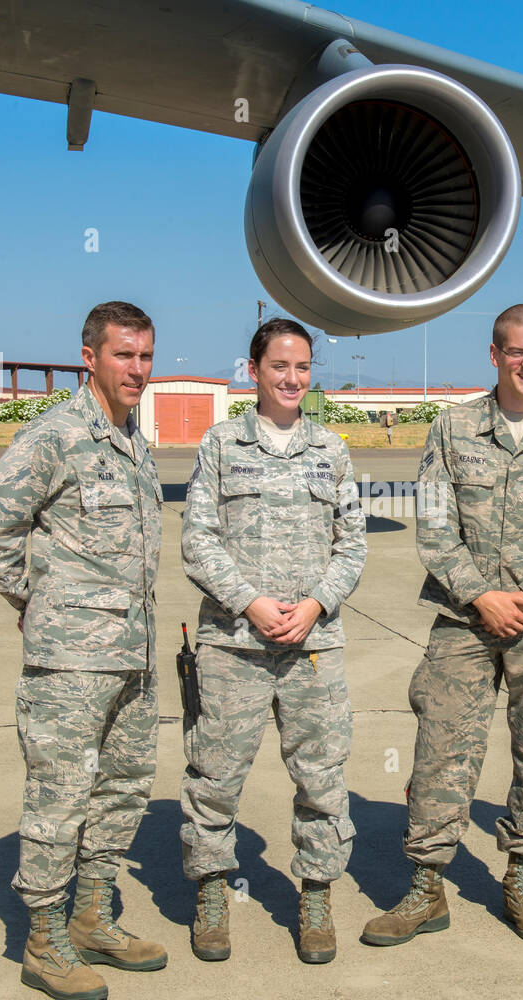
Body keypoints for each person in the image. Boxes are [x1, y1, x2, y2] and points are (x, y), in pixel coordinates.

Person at [362, 304, 523, 947]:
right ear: (495, 355)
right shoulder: (452, 429)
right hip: (462, 622)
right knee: (441, 748)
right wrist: (481, 598)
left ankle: (522, 877)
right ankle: (425, 887)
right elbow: (436, 529)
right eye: (518, 352)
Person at [0, 301, 166, 1000]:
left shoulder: (135, 441)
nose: (137, 369)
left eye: (145, 356)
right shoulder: (53, 436)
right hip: (70, 666)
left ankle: (92, 917)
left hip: (133, 661)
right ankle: (44, 939)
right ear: (90, 357)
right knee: (59, 798)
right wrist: (36, 604)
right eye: (124, 355)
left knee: (122, 791)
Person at [180, 317, 367, 965]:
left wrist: (314, 604)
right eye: (280, 366)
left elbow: (353, 544)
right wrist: (252, 603)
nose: (292, 379)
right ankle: (210, 889)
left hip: (314, 646)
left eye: (303, 367)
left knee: (322, 776)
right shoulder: (222, 444)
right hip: (234, 643)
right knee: (216, 775)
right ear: (252, 369)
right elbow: (197, 540)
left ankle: (315, 893)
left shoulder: (331, 449)